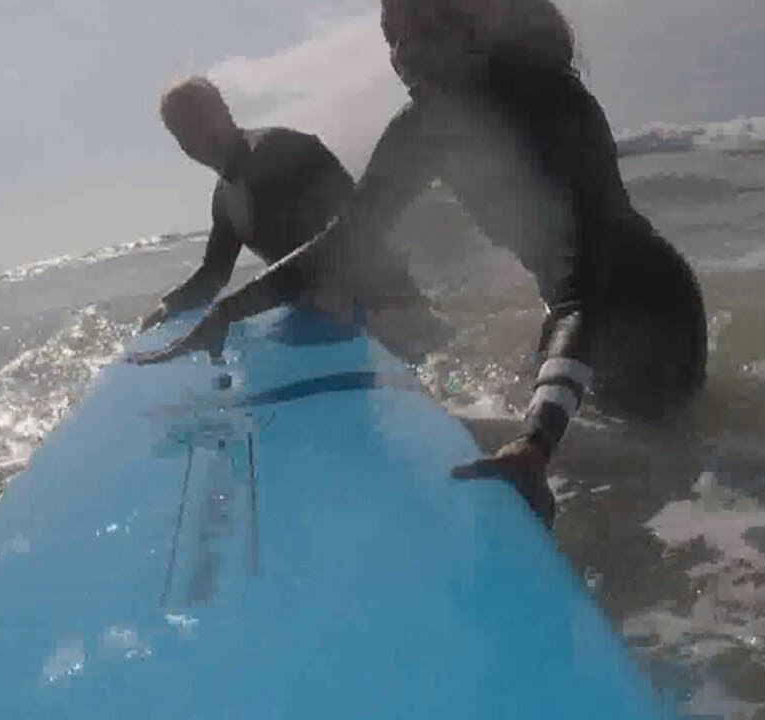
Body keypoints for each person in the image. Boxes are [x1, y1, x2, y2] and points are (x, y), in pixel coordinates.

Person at [134, 0, 707, 529]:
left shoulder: (555, 107)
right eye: (390, 37)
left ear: (469, 24)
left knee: (651, 487)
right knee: (580, 474)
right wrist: (226, 313)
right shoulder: (421, 127)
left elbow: (587, 286)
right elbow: (340, 244)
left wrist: (536, 440)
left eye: (416, 32)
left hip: (652, 319)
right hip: (572, 322)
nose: (399, 55)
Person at [143, 76, 447, 362]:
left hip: (387, 311)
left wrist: (227, 312)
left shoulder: (282, 151)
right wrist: (166, 307)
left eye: (199, 120)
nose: (194, 139)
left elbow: (351, 238)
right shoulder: (224, 197)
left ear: (223, 109)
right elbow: (214, 274)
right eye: (182, 133)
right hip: (331, 323)